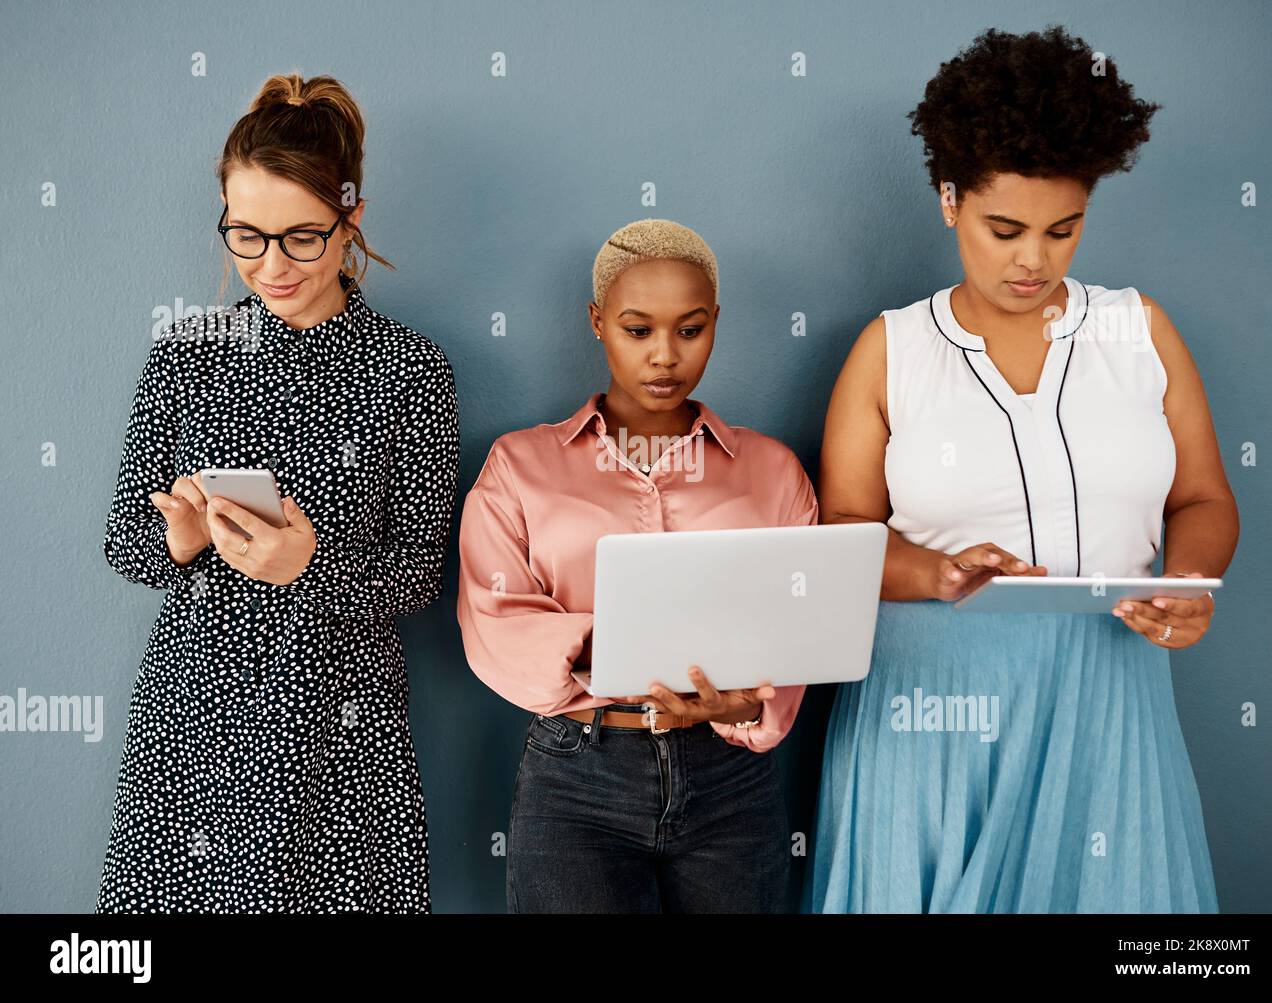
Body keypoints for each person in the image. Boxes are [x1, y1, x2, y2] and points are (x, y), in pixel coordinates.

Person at [811, 26, 1238, 913]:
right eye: (1003, 228)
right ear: (948, 199)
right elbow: (842, 531)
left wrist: (1191, 581)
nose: (1033, 260)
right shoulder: (891, 350)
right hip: (929, 704)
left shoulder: (1139, 330)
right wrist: (937, 570)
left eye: (1063, 229)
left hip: (1110, 683)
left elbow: (1201, 494)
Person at [96, 73, 459, 912]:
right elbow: (124, 542)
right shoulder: (185, 355)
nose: (270, 265)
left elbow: (416, 575)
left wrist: (311, 562)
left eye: (302, 236)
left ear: (351, 217)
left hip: (341, 725)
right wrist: (179, 539)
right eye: (246, 236)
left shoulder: (411, 371)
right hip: (199, 715)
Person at [457, 218, 818, 913]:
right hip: (578, 774)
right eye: (637, 328)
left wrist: (749, 702)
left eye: (689, 329)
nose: (665, 356)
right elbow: (490, 620)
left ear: (715, 322)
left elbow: (797, 627)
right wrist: (622, 639)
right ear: (597, 321)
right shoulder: (520, 465)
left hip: (731, 777)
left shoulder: (771, 471)